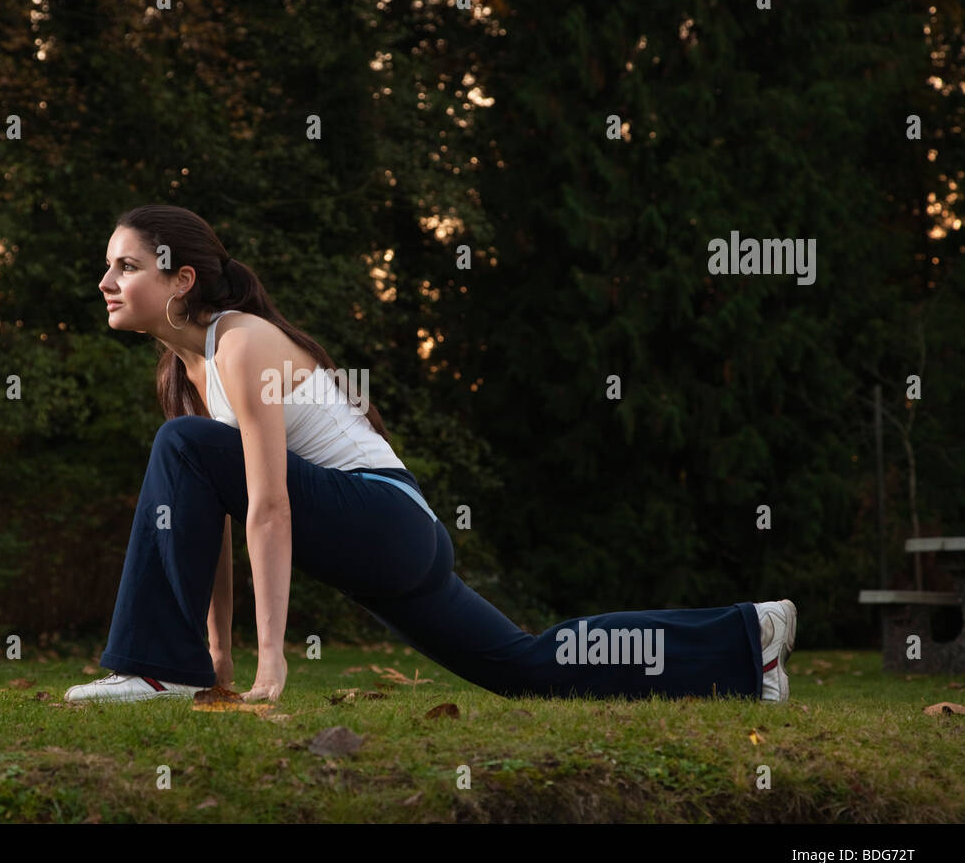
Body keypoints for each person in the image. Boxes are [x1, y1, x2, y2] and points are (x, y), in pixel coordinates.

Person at [65, 205, 797, 706]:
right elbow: (209, 532)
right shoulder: (182, 379)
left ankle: (151, 670)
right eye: (107, 267)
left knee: (182, 446)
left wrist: (272, 656)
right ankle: (744, 643)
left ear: (180, 278)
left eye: (125, 267)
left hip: (382, 517)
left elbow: (270, 507)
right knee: (525, 668)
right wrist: (214, 660)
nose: (105, 283)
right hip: (390, 538)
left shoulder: (243, 340)